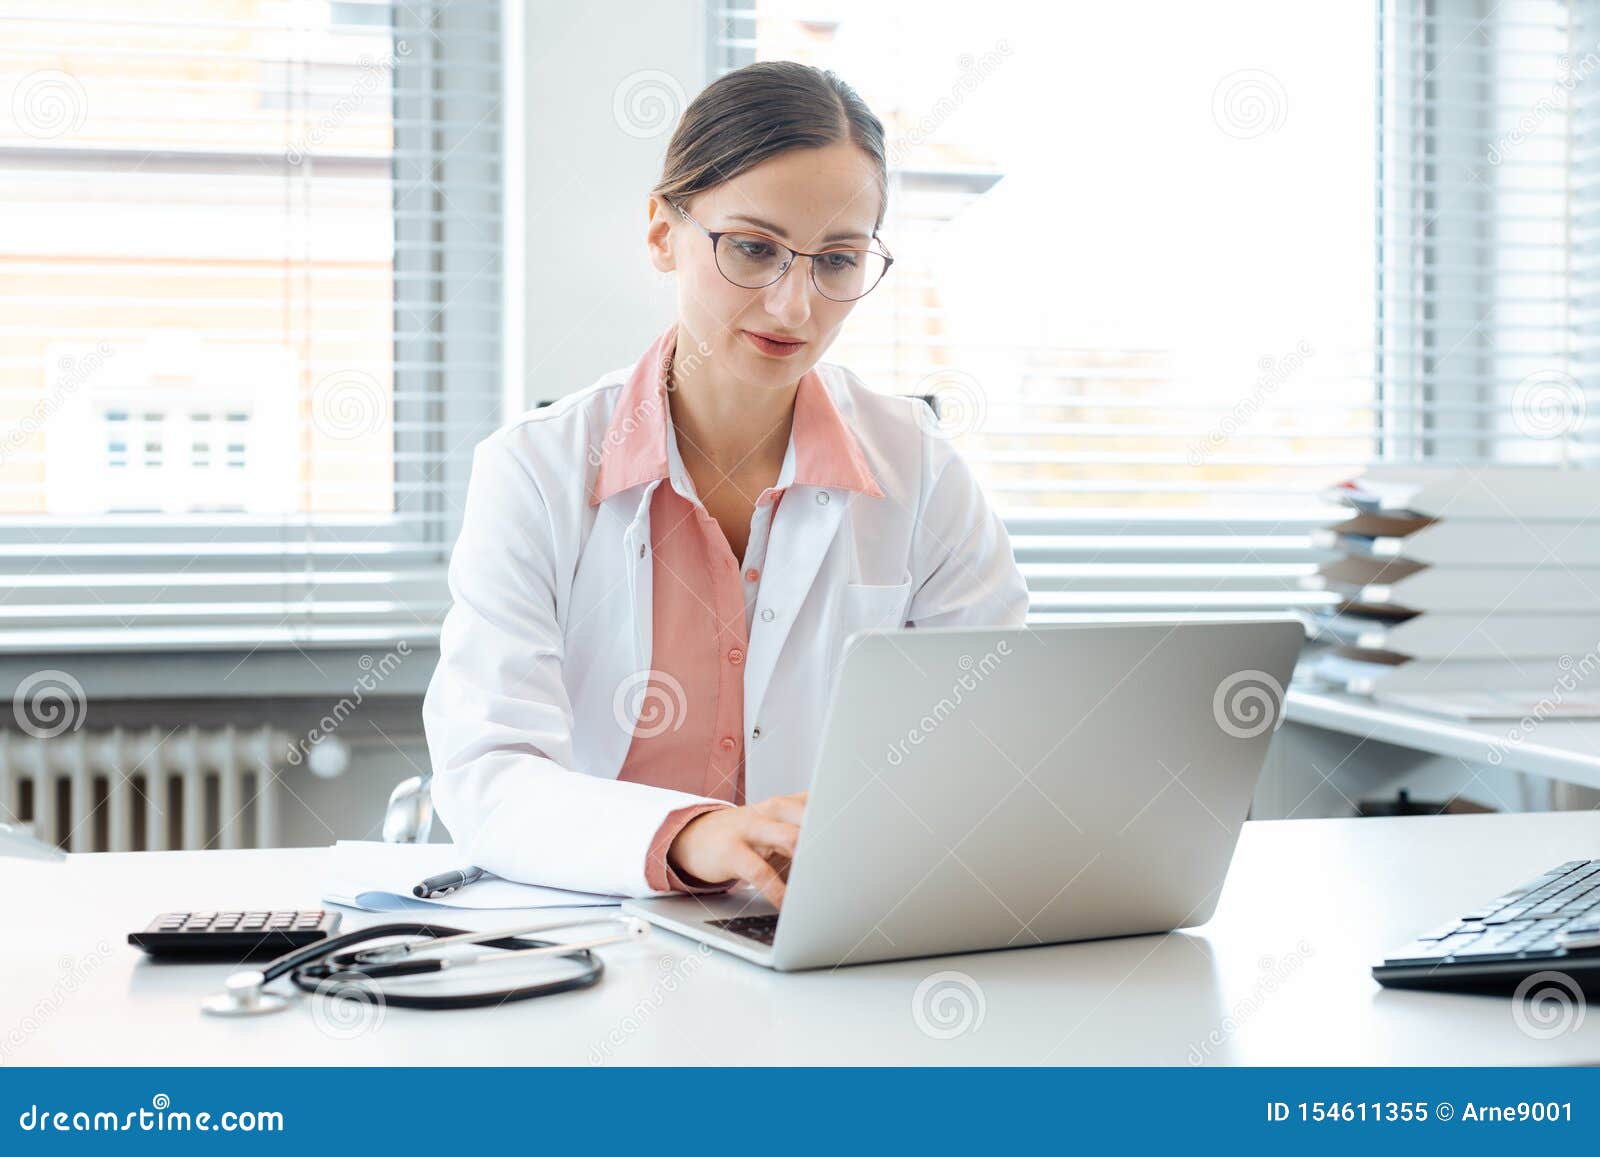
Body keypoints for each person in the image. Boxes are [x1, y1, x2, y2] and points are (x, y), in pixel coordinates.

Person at [422, 60, 1027, 909]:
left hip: (828, 928)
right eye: (753, 248)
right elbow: (488, 772)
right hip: (598, 926)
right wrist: (694, 834)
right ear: (662, 232)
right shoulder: (534, 469)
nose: (794, 306)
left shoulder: (918, 470)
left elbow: (989, 738)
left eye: (839, 261)